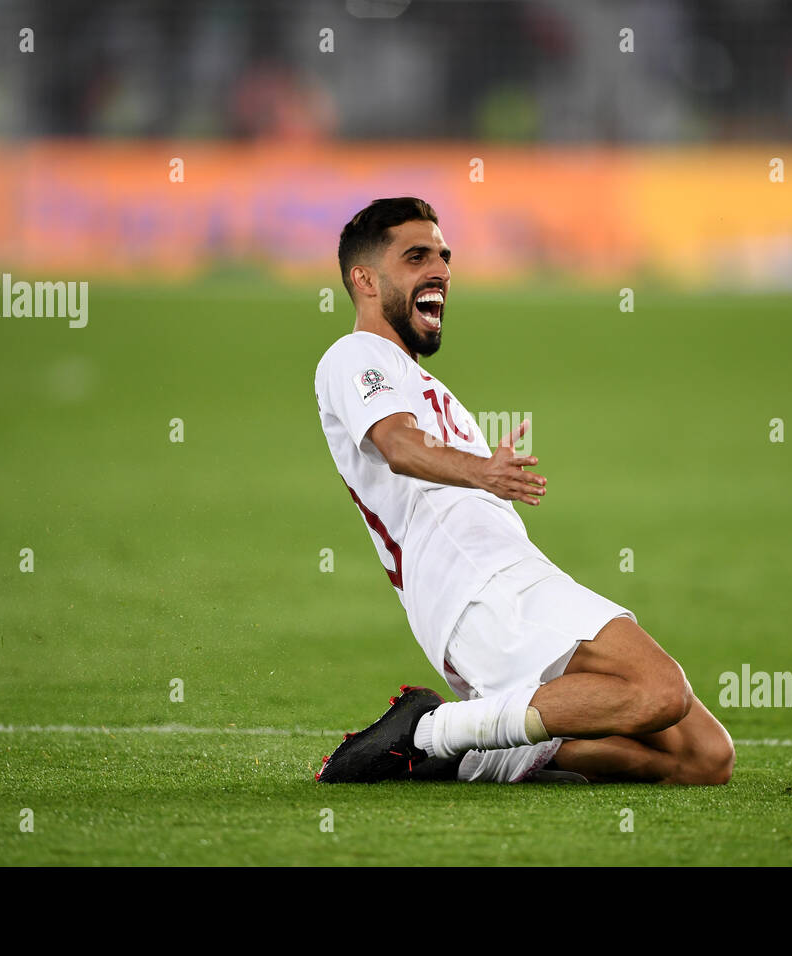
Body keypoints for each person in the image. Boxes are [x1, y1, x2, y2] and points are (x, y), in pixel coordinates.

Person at [313, 197, 734, 785]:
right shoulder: (355, 357)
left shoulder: (420, 379)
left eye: (443, 255)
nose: (439, 269)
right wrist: (483, 471)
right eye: (416, 256)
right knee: (659, 690)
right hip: (478, 585)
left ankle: (481, 748)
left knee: (705, 760)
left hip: (503, 582)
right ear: (363, 279)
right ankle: (428, 733)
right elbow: (397, 445)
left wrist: (485, 477)